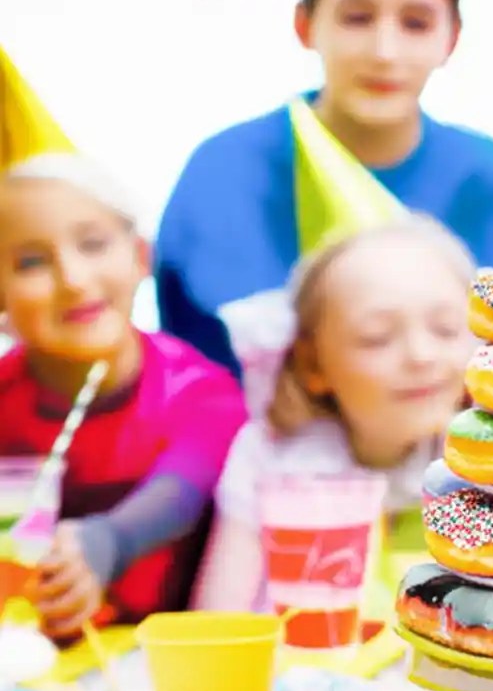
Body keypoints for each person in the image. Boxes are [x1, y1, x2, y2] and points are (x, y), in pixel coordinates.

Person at [155, 0, 493, 375]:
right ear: (305, 25)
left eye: (416, 23)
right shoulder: (220, 177)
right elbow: (183, 377)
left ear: (451, 39)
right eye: (357, 18)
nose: (385, 53)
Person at [0, 155, 246, 639]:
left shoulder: (201, 394)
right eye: (31, 261)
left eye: (93, 244)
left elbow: (178, 496)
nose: (73, 279)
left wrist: (105, 542)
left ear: (140, 257)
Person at [193, 219, 474, 613]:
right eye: (377, 337)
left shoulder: (489, 461)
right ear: (313, 363)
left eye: (445, 330)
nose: (421, 355)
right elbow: (218, 624)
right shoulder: (268, 458)